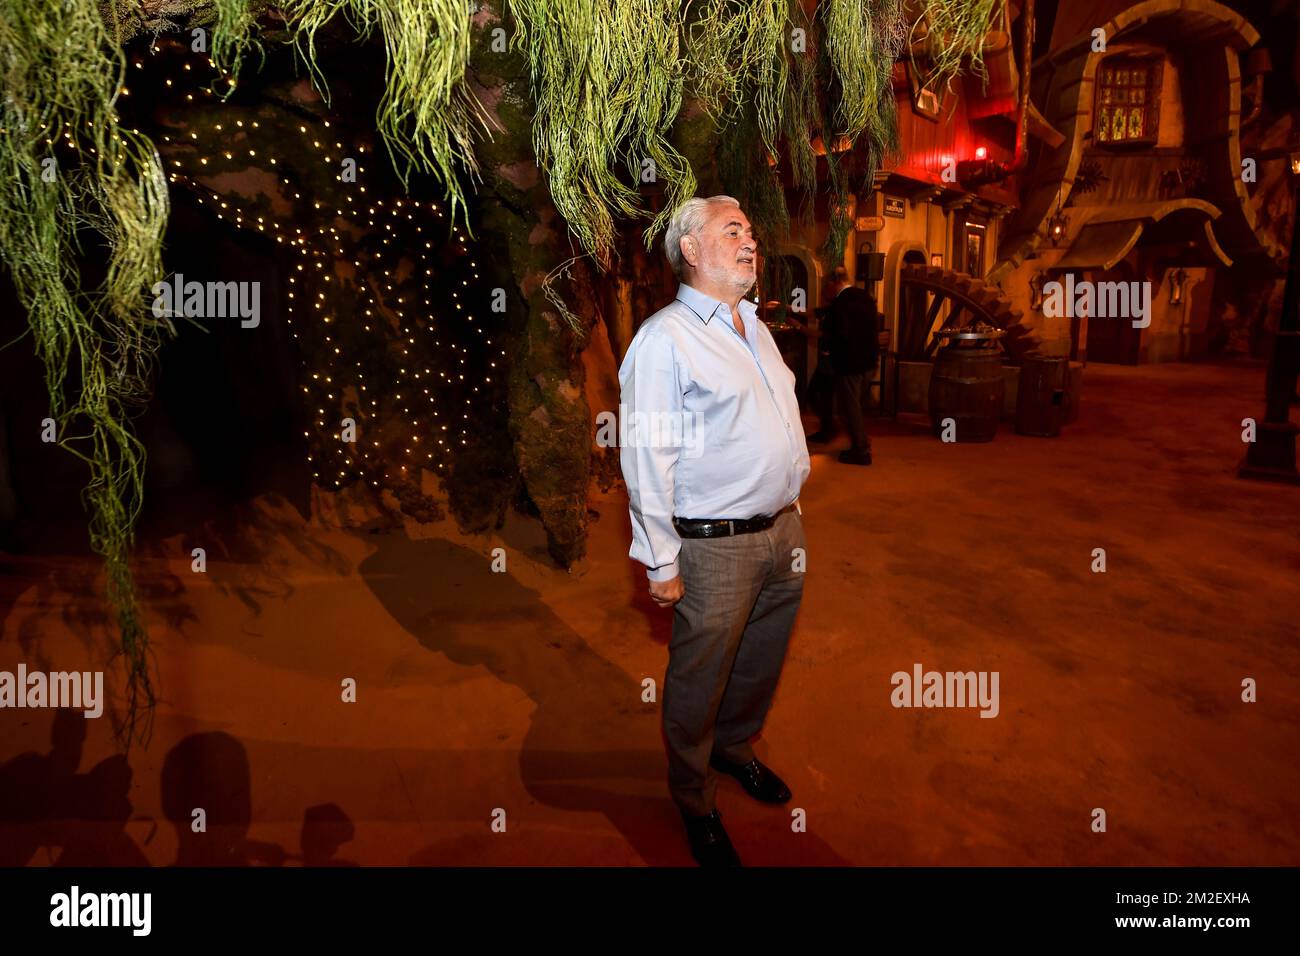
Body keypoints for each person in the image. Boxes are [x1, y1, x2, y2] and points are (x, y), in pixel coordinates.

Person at [617, 195, 810, 867]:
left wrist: (791, 503)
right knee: (700, 676)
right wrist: (660, 561)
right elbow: (646, 457)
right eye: (733, 231)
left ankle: (736, 748)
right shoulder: (664, 339)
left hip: (783, 533)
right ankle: (694, 798)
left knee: (759, 661)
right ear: (691, 249)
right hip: (714, 544)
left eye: (752, 232)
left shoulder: (754, 326)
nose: (750, 242)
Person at [810, 267, 877, 465]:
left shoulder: (841, 303)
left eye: (826, 286)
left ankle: (861, 451)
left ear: (834, 283)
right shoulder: (865, 297)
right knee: (856, 406)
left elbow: (838, 334)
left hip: (850, 364)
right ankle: (861, 442)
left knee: (851, 408)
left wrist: (827, 349)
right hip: (869, 362)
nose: (824, 292)